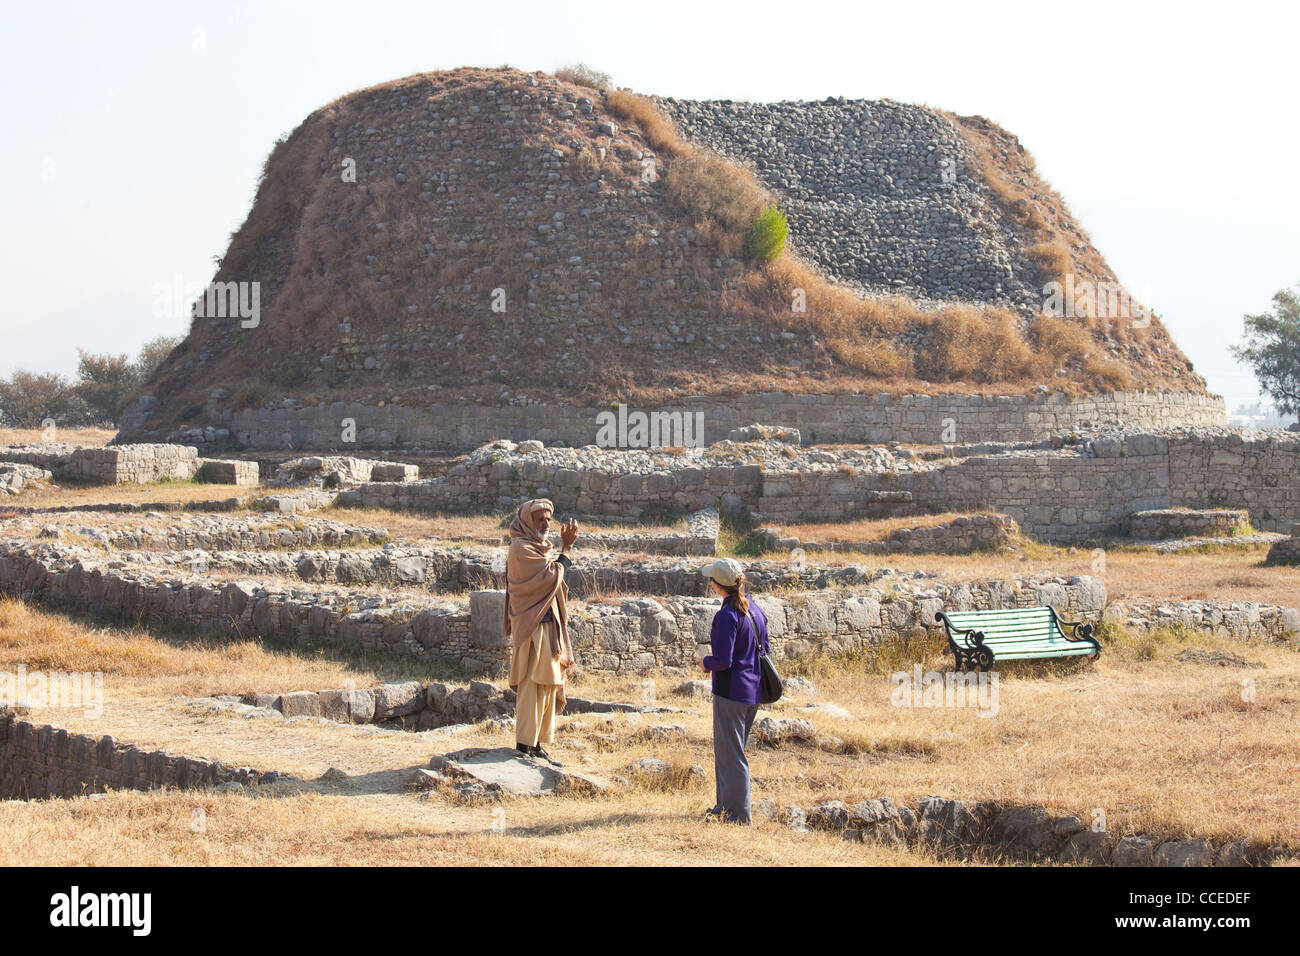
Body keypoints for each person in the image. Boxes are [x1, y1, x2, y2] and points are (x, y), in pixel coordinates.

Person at [503, 498, 578, 766]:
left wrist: (561, 554)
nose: (545, 524)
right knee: (532, 685)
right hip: (532, 628)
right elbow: (550, 578)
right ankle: (524, 743)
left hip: (549, 627)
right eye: (540, 519)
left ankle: (536, 744)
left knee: (548, 684)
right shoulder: (520, 548)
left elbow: (553, 577)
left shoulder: (540, 548)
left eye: (548, 519)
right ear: (527, 521)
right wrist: (567, 548)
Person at [699, 556, 768, 825]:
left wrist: (705, 662)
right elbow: (766, 651)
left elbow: (723, 661)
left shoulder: (726, 616)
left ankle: (738, 816)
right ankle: (724, 806)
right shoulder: (756, 611)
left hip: (730, 692)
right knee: (729, 750)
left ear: (717, 586)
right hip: (753, 691)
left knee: (732, 753)